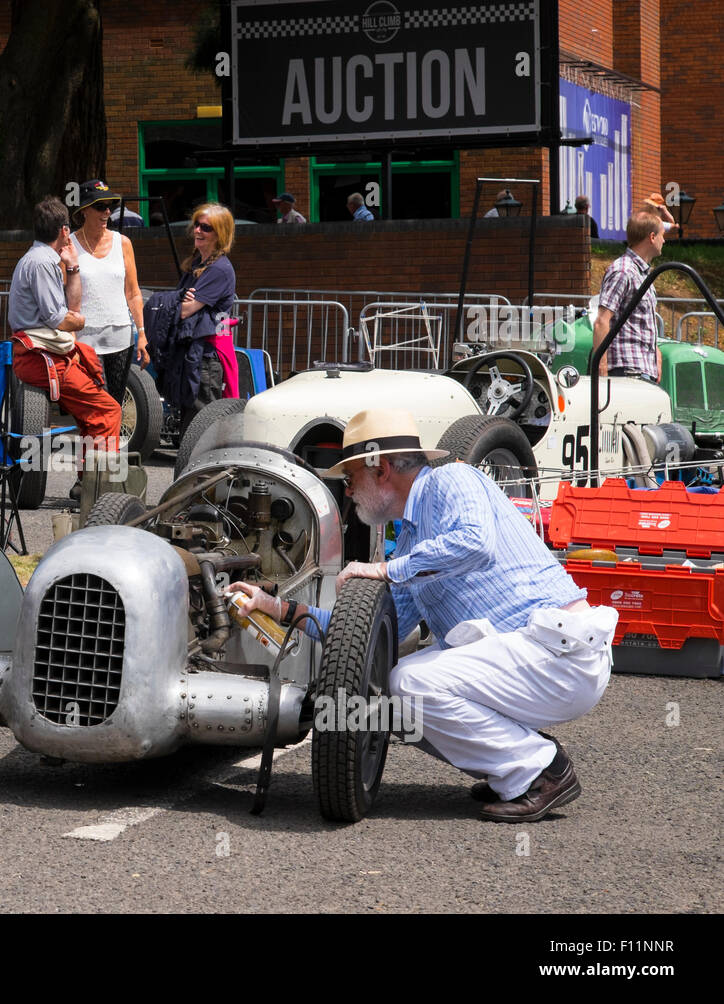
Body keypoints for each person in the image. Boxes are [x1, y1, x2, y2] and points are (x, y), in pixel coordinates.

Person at [232, 409, 617, 822]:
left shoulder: (453, 479)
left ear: (378, 469)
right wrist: (278, 608)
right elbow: (370, 636)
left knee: (409, 682)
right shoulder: (414, 542)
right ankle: (515, 766)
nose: (347, 493)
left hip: (560, 654)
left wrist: (384, 569)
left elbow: (475, 544)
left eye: (349, 480)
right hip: (533, 658)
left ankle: (541, 770)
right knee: (387, 702)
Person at [9, 196, 121, 464]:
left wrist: (72, 267)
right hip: (40, 357)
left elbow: (67, 310)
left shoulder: (39, 257)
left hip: (40, 353)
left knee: (91, 414)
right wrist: (81, 322)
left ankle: (87, 483)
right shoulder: (42, 262)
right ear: (63, 231)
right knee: (109, 410)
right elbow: (57, 317)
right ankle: (101, 485)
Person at [71, 180, 148, 411]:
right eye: (100, 206)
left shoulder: (123, 243)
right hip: (85, 339)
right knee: (91, 404)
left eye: (110, 206)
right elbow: (66, 298)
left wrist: (142, 335)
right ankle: (94, 446)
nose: (107, 212)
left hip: (120, 336)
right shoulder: (70, 245)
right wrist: (71, 340)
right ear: (84, 210)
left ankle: (111, 447)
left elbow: (133, 293)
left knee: (115, 404)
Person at [176, 202, 237, 422]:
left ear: (219, 234)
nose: (198, 231)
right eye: (196, 225)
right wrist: (179, 302)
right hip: (195, 353)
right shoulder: (197, 263)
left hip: (208, 358)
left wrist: (178, 302)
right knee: (190, 420)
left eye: (206, 228)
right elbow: (181, 305)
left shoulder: (219, 269)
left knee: (202, 424)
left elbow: (184, 310)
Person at [594, 210, 665, 382]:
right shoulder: (623, 270)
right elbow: (602, 321)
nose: (664, 240)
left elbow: (639, 321)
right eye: (662, 235)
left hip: (641, 367)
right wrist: (601, 365)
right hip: (626, 369)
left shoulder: (641, 273)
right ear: (652, 237)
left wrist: (656, 352)